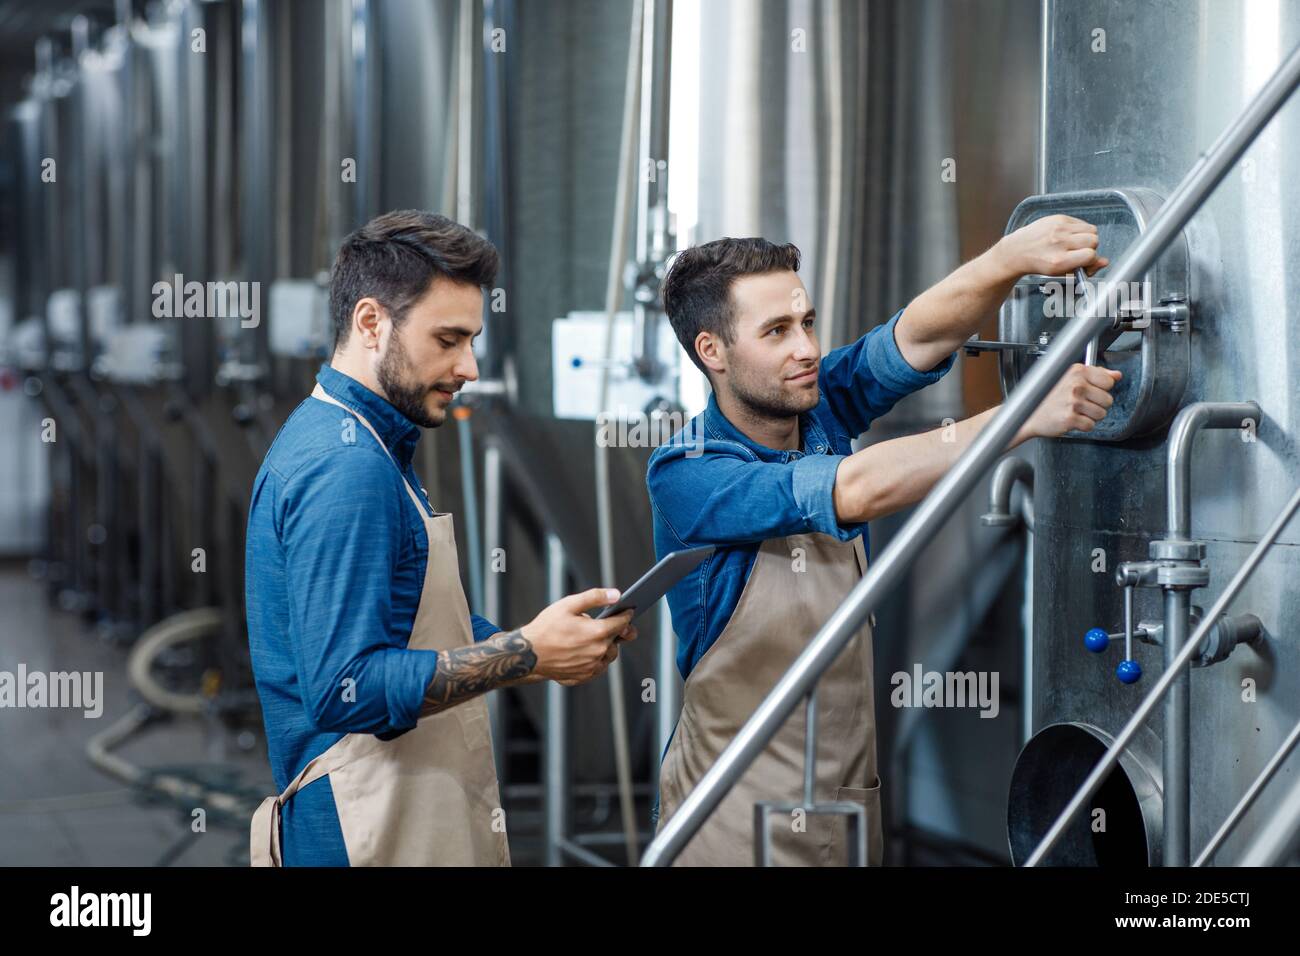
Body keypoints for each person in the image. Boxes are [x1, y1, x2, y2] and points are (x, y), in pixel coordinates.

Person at [648, 218, 1120, 865]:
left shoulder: (818, 410)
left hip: (842, 803)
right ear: (712, 350)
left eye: (807, 322)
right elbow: (855, 488)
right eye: (777, 332)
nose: (807, 348)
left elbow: (915, 338)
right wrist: (1025, 413)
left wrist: (1006, 259)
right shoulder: (687, 472)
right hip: (729, 818)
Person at [245, 210, 635, 866]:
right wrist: (525, 655)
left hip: (392, 807)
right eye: (448, 339)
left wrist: (540, 639)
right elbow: (347, 686)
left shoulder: (368, 441)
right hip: (361, 825)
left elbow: (407, 630)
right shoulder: (346, 466)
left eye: (473, 340)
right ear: (371, 322)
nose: (470, 366)